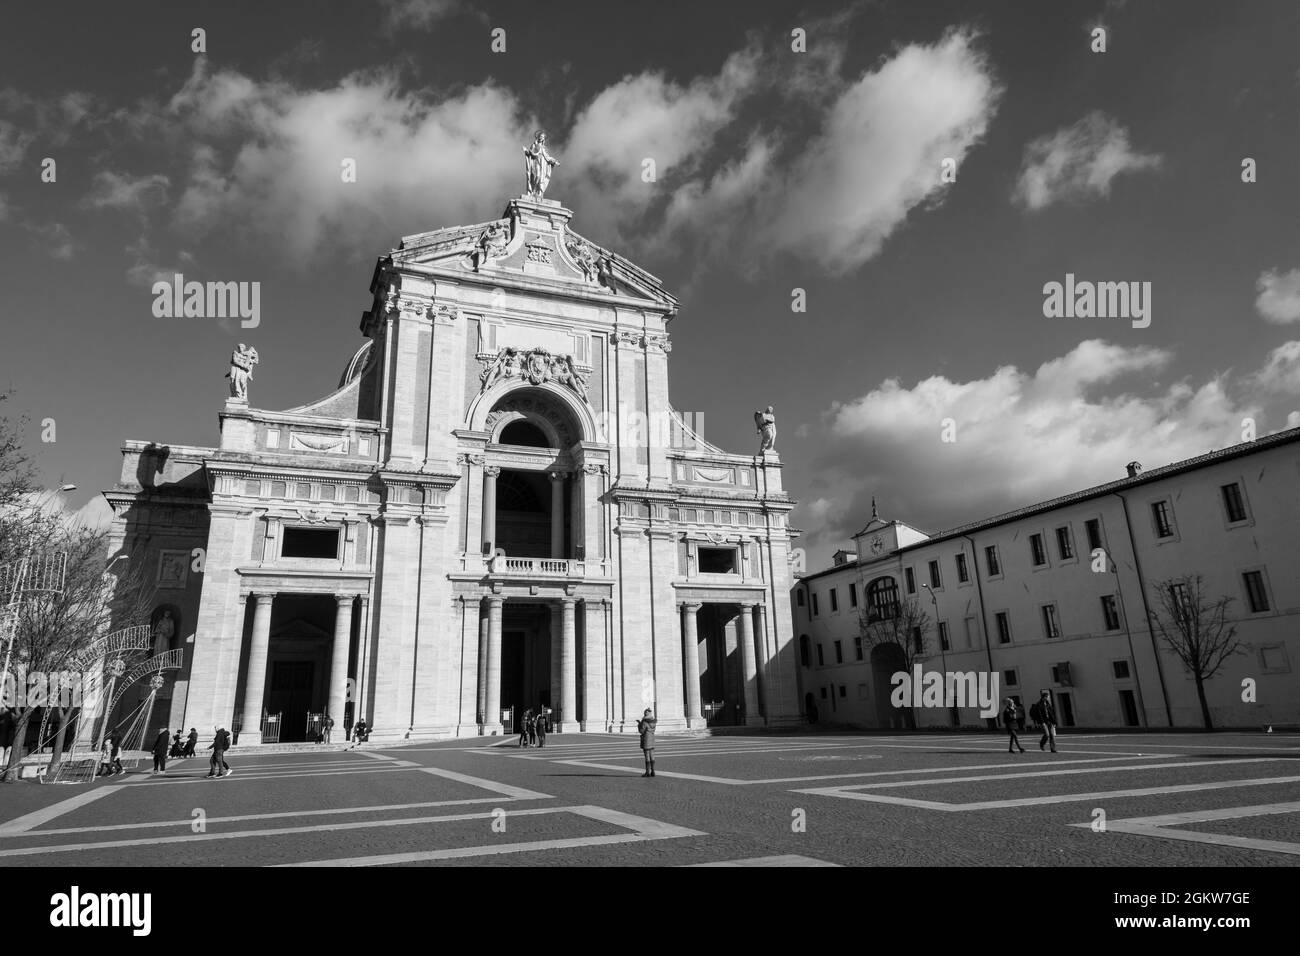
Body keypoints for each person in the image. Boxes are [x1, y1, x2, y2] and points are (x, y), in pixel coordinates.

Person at [637, 708, 657, 778]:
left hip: (646, 739)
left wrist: (639, 724)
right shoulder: (653, 721)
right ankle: (653, 771)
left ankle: (647, 772)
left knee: (647, 756)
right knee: (652, 755)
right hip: (652, 739)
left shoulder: (645, 722)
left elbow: (641, 731)